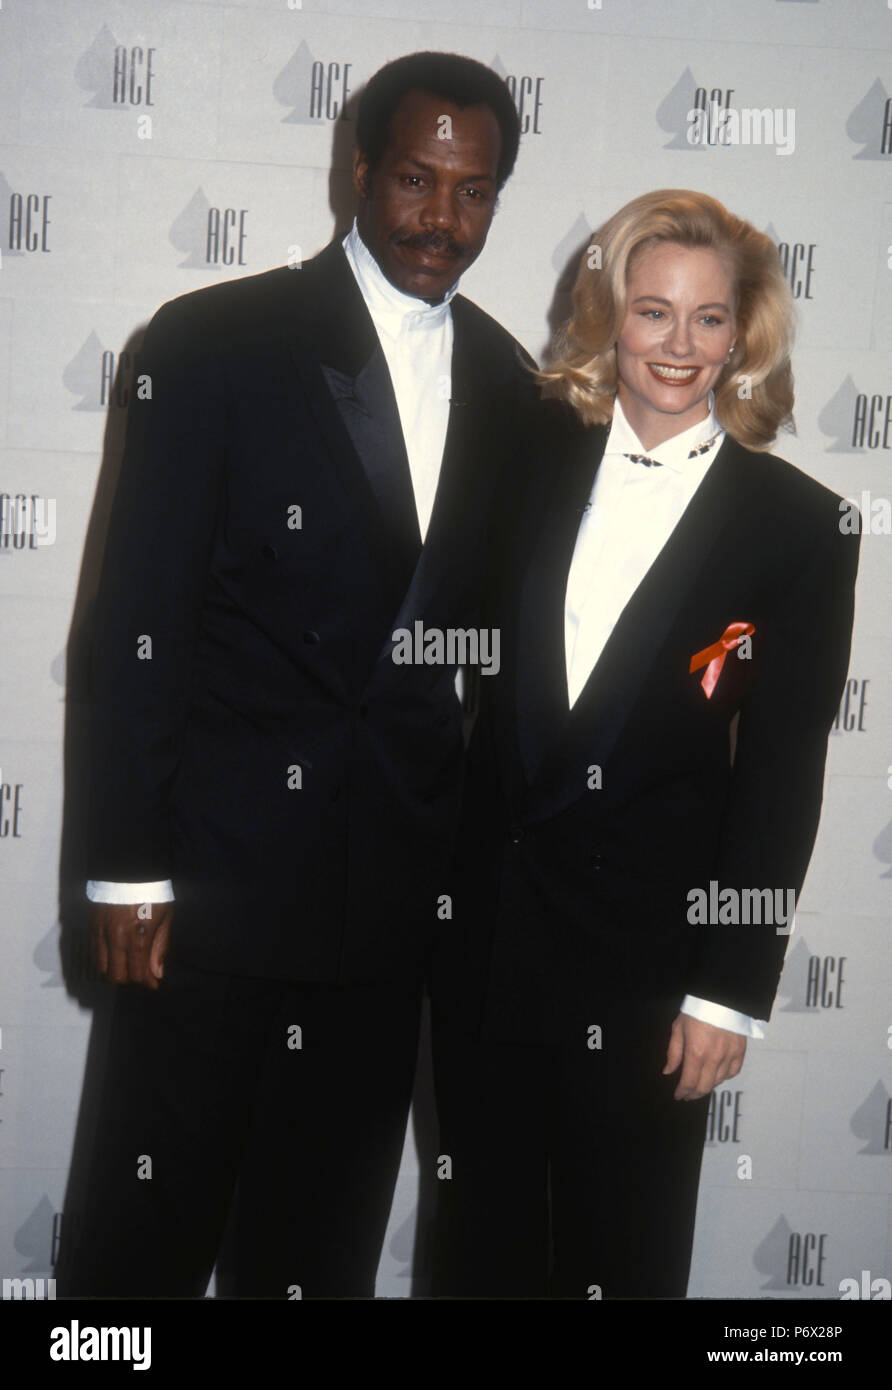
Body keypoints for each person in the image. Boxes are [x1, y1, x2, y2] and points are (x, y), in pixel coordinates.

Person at [56, 50, 535, 1299]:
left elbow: (492, 662)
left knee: (316, 1251)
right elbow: (135, 621)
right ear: (359, 170)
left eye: (473, 192)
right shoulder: (214, 343)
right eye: (418, 181)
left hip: (387, 911)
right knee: (136, 1244)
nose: (442, 219)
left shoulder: (512, 386)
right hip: (204, 893)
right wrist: (124, 864)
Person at [430, 189, 860, 1299]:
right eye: (652, 311)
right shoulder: (527, 458)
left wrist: (729, 989)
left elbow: (779, 775)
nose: (679, 345)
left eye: (708, 319)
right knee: (480, 1256)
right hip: (486, 950)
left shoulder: (799, 529)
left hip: (648, 974)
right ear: (608, 317)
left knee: (619, 1264)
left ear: (742, 334)